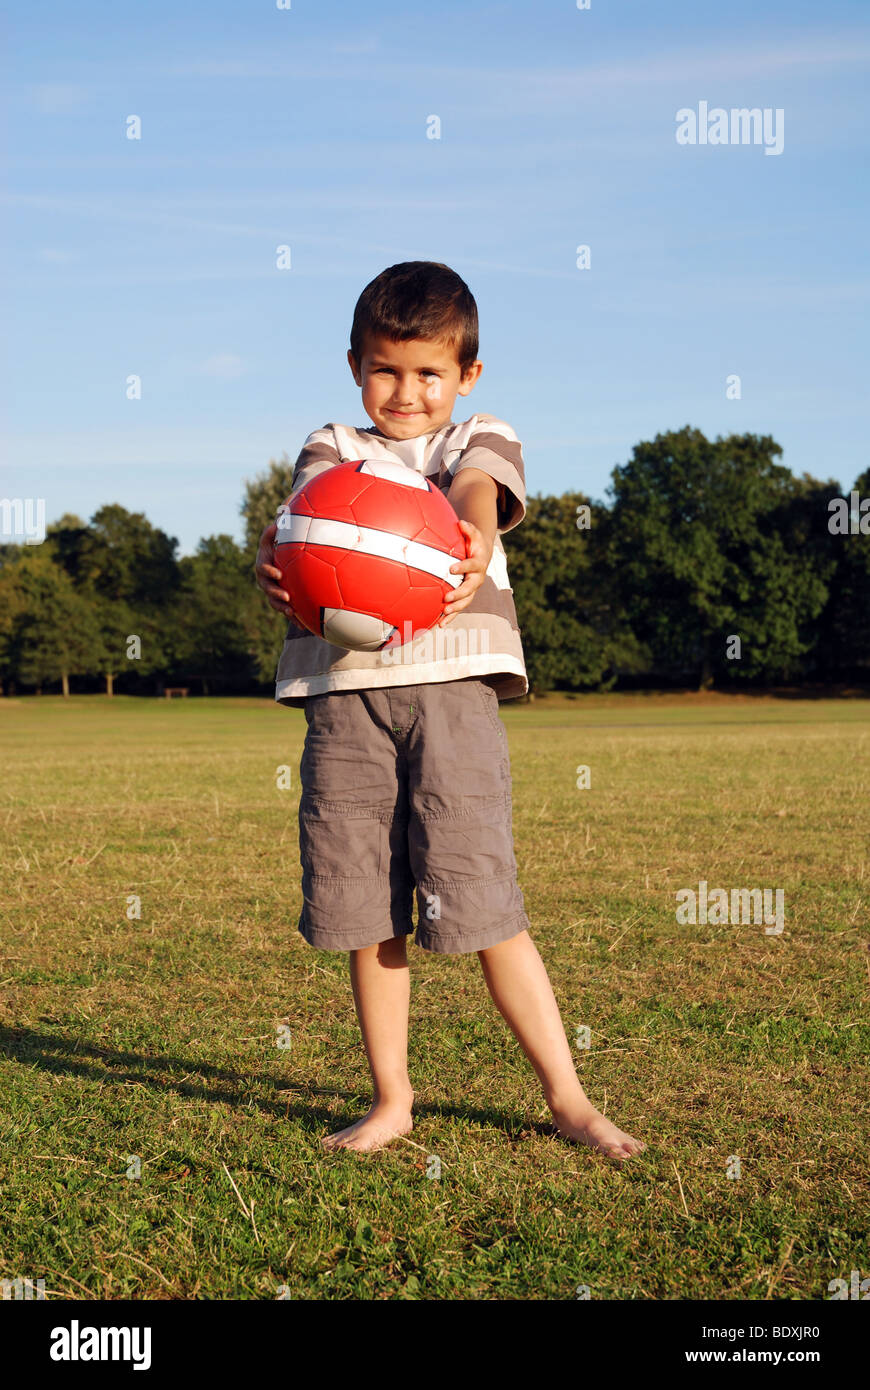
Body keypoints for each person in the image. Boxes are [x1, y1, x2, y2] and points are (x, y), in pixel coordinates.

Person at [255, 261, 645, 1162]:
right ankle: (392, 1099)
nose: (405, 391)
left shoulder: (482, 435)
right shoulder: (330, 448)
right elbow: (300, 531)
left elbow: (479, 490)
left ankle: (569, 1099)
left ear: (466, 374)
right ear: (355, 365)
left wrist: (468, 532)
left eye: (428, 371)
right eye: (385, 369)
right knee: (366, 911)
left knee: (485, 903)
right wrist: (271, 569)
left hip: (453, 696)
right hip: (345, 704)